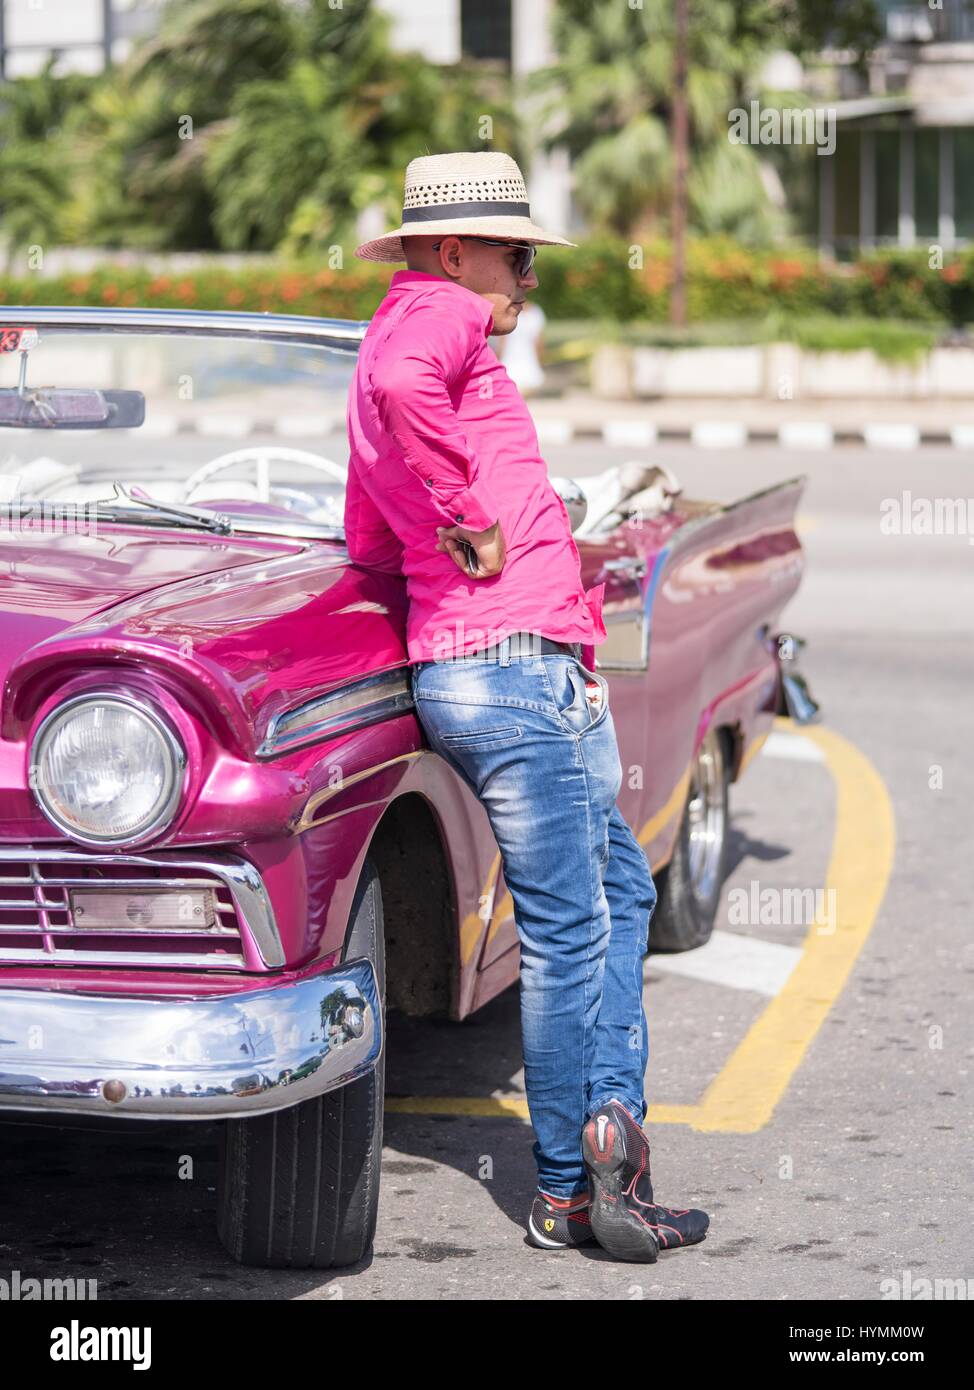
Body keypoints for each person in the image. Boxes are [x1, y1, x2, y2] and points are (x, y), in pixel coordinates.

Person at [344, 150, 709, 1262]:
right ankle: (569, 1185)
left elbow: (366, 542)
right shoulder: (429, 319)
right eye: (516, 256)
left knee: (612, 887)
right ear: (454, 252)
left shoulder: (398, 351)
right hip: (506, 671)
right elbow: (415, 400)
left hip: (520, 661)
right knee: (568, 928)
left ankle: (612, 1140)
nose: (527, 281)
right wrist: (465, 513)